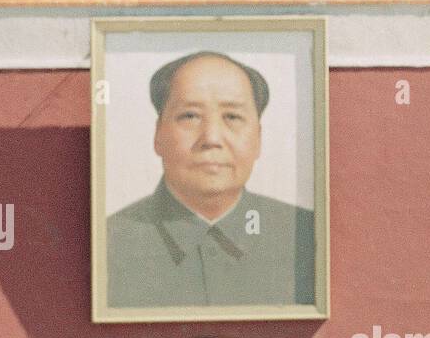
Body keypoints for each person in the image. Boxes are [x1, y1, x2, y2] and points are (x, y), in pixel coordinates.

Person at [106, 51, 316, 309]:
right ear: (158, 134)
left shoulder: (306, 236)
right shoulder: (109, 242)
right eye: (190, 116)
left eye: (232, 117)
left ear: (259, 138)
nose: (212, 138)